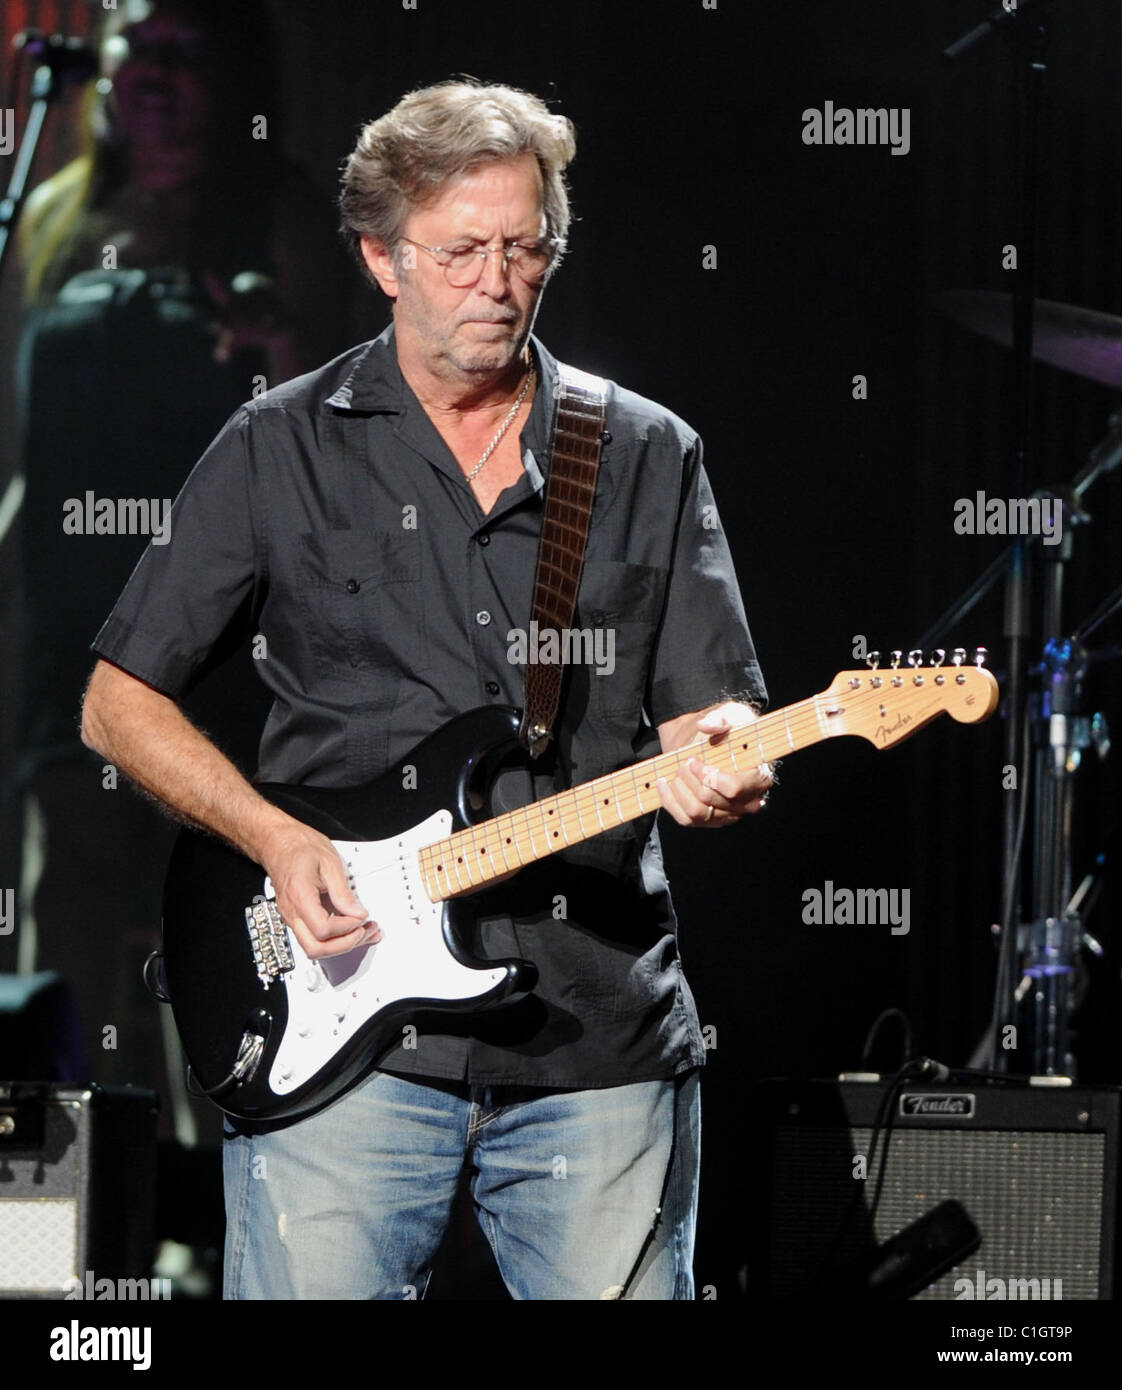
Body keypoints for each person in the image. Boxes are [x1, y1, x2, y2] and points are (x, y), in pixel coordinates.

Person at [80, 80, 771, 1300]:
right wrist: (274, 837)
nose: (498, 283)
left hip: (595, 1037)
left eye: (525, 248)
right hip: (343, 1038)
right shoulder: (278, 444)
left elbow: (709, 709)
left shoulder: (647, 451)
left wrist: (726, 757)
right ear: (382, 259)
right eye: (461, 252)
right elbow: (116, 701)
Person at [11, 0, 349, 1126]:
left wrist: (278, 350)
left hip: (229, 657)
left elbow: (339, 426)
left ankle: (224, 1219)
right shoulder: (59, 213)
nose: (151, 78)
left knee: (223, 942)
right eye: (131, 53)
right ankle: (60, 1229)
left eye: (180, 56)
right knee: (67, 935)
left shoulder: (281, 213)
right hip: (75, 643)